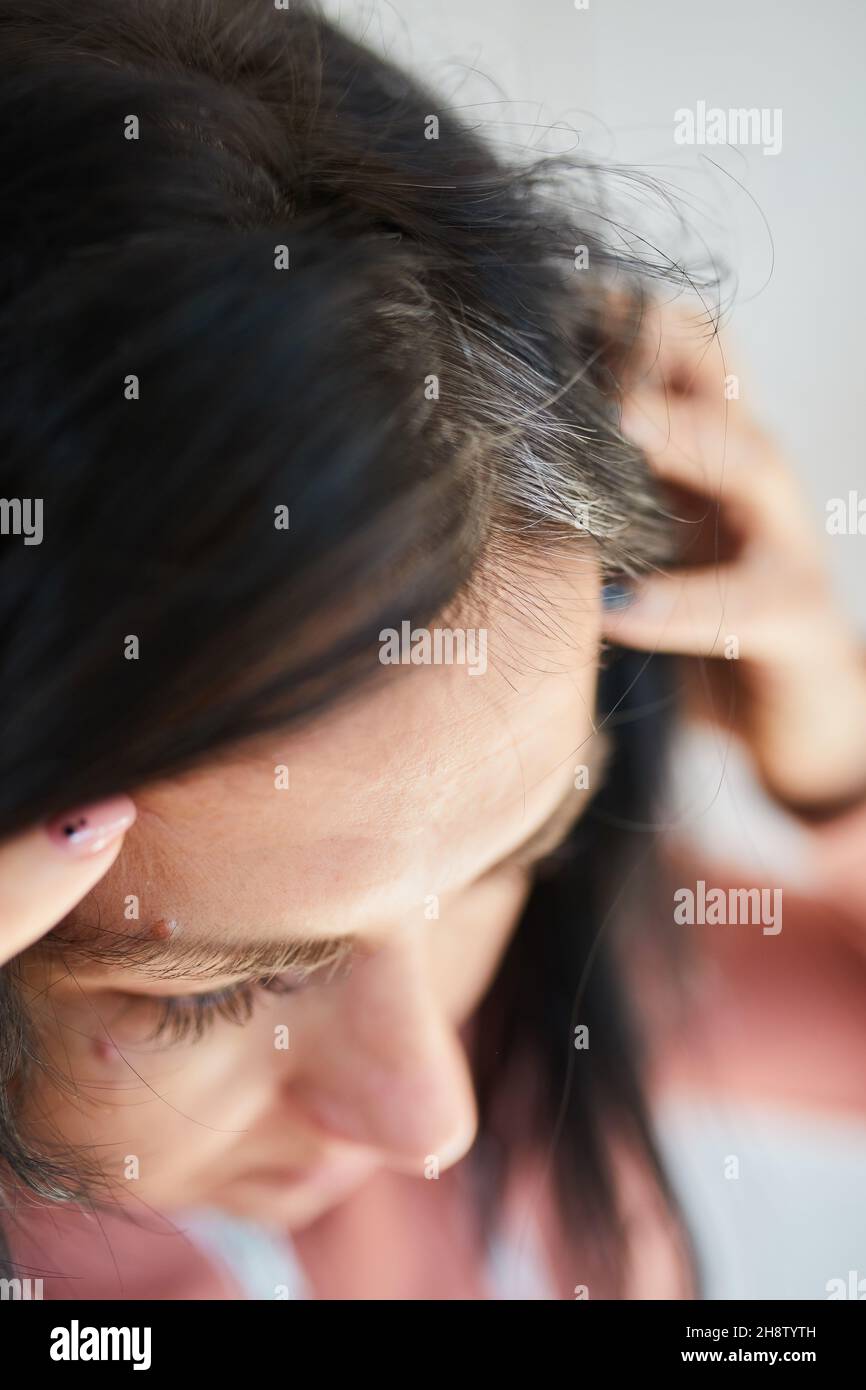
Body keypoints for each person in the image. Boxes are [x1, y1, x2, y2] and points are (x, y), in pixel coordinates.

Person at [1, 0, 864, 1299]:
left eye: (510, 857)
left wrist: (834, 747)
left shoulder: (534, 996)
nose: (427, 1113)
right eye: (202, 996)